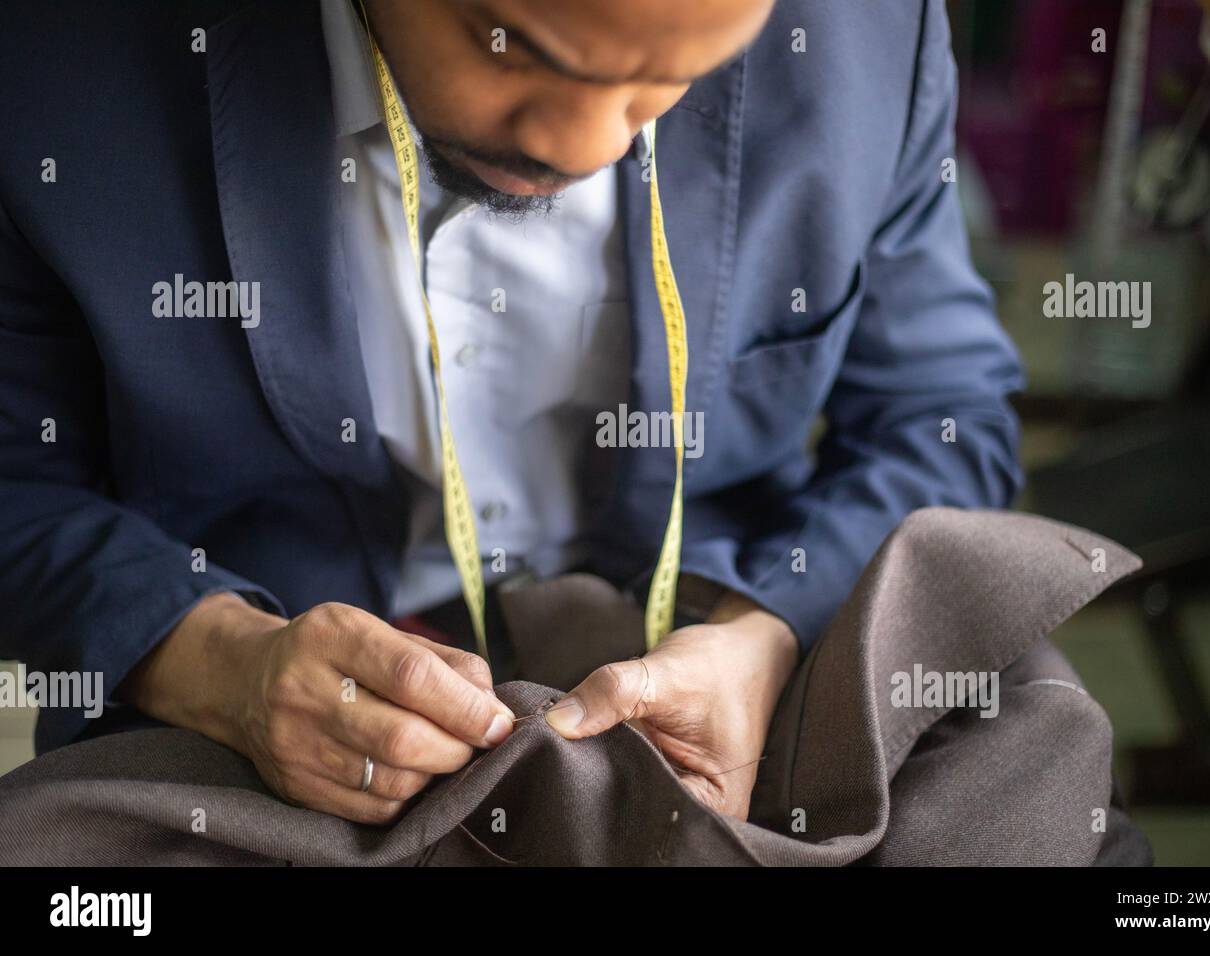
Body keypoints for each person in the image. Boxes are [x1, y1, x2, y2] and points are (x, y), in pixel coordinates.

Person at [0, 0, 1024, 828]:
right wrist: (223, 665)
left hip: (730, 648)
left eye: (669, 72)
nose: (577, 145)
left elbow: (944, 418)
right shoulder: (60, 59)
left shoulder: (863, 36)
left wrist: (768, 634)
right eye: (518, 46)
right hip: (245, 688)